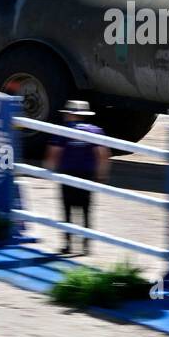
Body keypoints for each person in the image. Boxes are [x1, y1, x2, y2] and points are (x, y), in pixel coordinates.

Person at [43, 100, 110, 255]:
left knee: (67, 209)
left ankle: (68, 244)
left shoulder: (61, 131)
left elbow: (53, 153)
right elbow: (103, 154)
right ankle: (86, 246)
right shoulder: (95, 131)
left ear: (70, 114)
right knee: (86, 210)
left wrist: (49, 170)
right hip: (87, 175)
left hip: (67, 174)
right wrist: (101, 174)